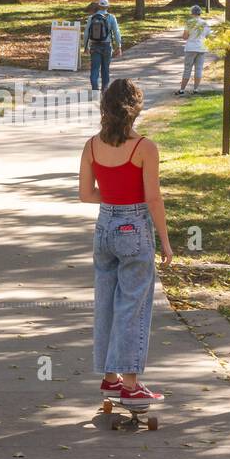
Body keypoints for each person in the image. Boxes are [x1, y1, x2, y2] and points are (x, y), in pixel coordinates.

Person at [78, 79, 173, 407]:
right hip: (134, 229)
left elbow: (86, 194)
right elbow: (153, 199)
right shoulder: (144, 148)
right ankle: (131, 384)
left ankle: (110, 379)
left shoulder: (91, 146)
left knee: (105, 300)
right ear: (135, 110)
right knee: (133, 303)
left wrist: (115, 198)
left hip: (104, 226)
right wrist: (165, 240)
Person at [84, 0, 122, 91]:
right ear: (107, 7)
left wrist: (86, 47)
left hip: (94, 46)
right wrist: (119, 46)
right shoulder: (111, 17)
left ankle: (94, 91)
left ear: (98, 6)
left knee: (95, 69)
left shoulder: (91, 17)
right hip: (107, 46)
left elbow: (86, 33)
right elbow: (116, 32)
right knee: (105, 69)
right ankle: (104, 91)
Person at [176, 4, 212, 95]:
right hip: (202, 48)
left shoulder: (189, 23)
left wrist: (187, 36)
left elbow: (185, 37)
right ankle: (196, 89)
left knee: (187, 68)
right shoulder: (205, 23)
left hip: (190, 48)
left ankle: (182, 90)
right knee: (199, 69)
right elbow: (208, 36)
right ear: (200, 13)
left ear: (192, 13)